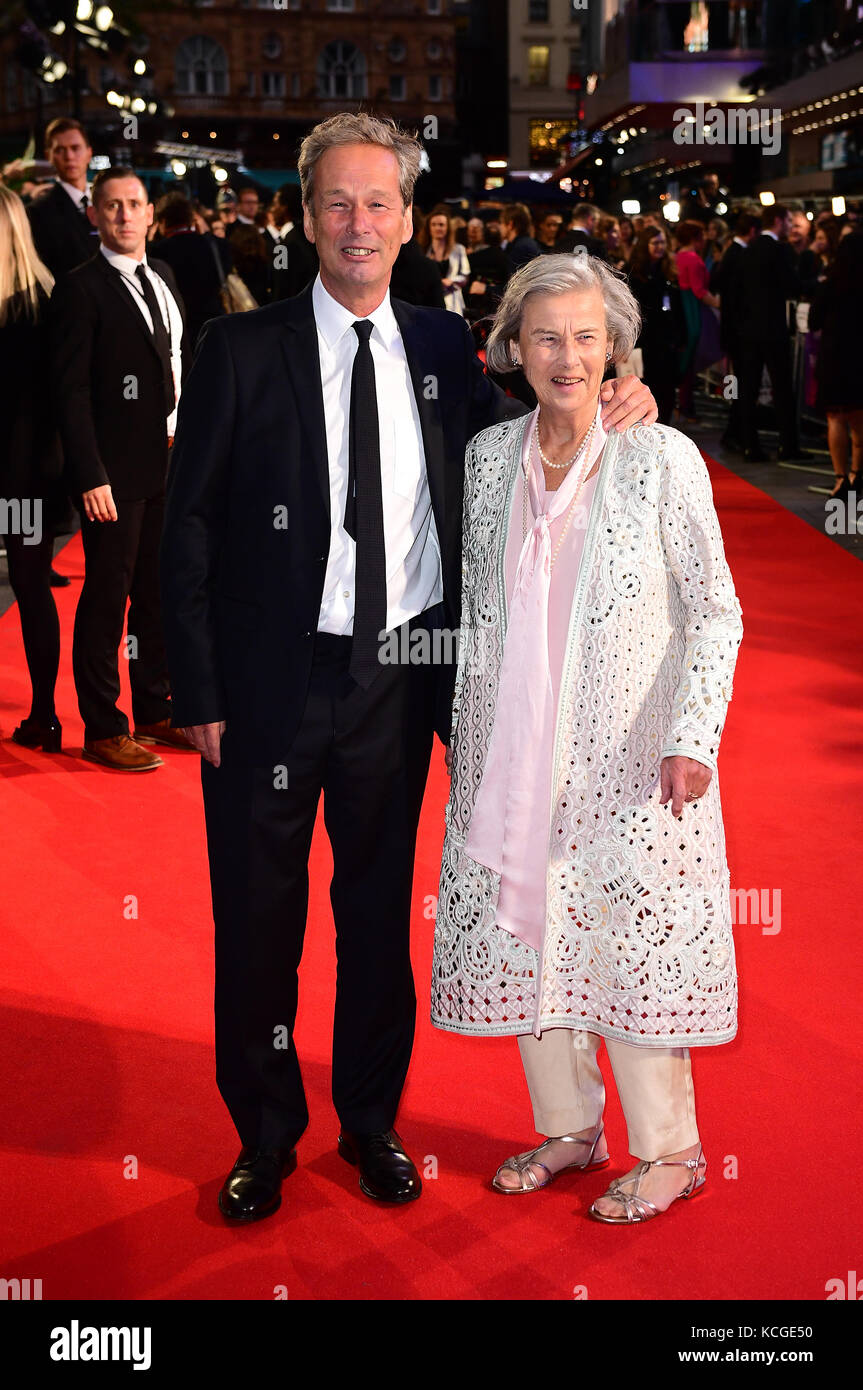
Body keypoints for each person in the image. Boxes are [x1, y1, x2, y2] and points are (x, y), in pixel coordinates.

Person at [158, 112, 657, 1226]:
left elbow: (540, 436)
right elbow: (183, 526)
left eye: (378, 202)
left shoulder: (441, 350)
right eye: (336, 202)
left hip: (398, 680)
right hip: (265, 689)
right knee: (257, 920)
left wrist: (626, 395)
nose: (357, 223)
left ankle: (371, 1121)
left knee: (379, 917)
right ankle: (267, 1134)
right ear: (303, 216)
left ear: (408, 220)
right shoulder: (236, 348)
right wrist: (194, 690)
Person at [433, 252, 743, 1224]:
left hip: (631, 753)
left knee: (630, 937)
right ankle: (568, 1128)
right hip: (515, 743)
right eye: (544, 337)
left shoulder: (660, 457)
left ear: (613, 347)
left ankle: (672, 1152)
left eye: (583, 337)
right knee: (532, 928)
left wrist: (693, 732)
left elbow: (716, 612)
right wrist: (467, 729)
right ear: (510, 349)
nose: (565, 357)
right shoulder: (488, 460)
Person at [49, 167, 194, 770]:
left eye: (134, 204)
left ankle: (156, 710)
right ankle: (104, 726)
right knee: (107, 599)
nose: (124, 215)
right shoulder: (79, 289)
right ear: (95, 217)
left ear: (151, 215)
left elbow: (182, 366)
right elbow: (70, 391)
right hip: (115, 473)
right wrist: (90, 474)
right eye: (111, 206)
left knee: (160, 595)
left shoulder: (163, 275)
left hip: (171, 460)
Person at [0, 185, 65, 751]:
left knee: (27, 585)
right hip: (34, 478)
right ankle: (44, 713)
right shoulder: (51, 298)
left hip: (16, 473)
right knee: (30, 585)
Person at [737, 204, 802, 462]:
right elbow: (792, 286)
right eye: (788, 220)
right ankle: (788, 446)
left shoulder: (748, 249)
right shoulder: (779, 250)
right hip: (774, 331)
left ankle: (749, 446)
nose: (790, 226)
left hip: (749, 331)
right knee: (783, 389)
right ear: (778, 220)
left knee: (748, 390)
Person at [809, 232, 863, 498]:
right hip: (859, 357)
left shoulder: (829, 284)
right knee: (859, 417)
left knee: (836, 418)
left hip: (834, 357)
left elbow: (813, 321)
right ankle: (857, 474)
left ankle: (841, 478)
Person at [150, 192, 231, 349]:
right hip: (214, 327)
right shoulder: (218, 246)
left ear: (163, 221)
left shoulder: (157, 252)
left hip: (177, 333)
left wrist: (150, 242)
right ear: (191, 219)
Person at [26, 118, 99, 281]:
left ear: (89, 152)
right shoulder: (37, 212)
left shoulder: (106, 202)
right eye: (60, 150)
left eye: (75, 148)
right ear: (49, 156)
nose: (69, 156)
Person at [627, 226, 686, 425]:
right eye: (655, 243)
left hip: (666, 344)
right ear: (645, 245)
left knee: (666, 393)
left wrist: (681, 336)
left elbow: (677, 308)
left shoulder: (668, 272)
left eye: (662, 242)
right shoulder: (633, 273)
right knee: (644, 391)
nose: (660, 247)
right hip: (643, 345)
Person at [714, 210, 759, 451]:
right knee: (739, 385)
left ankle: (735, 432)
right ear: (752, 231)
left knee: (737, 384)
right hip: (737, 332)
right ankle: (736, 433)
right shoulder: (738, 254)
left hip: (733, 330)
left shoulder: (732, 252)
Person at [674, 220, 719, 423]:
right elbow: (699, 291)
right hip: (692, 309)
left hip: (682, 308)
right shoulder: (693, 259)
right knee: (691, 356)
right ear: (695, 238)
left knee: (687, 356)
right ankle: (685, 404)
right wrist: (719, 304)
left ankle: (683, 403)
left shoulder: (677, 257)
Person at [269, 183, 319, 302]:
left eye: (275, 204)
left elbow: (279, 284)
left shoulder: (282, 247)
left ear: (284, 207)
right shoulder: (312, 238)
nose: (272, 209)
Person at [419, 203, 471, 314]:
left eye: (441, 225)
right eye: (434, 224)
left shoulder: (459, 249)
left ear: (447, 227)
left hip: (453, 302)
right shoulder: (422, 251)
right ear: (429, 228)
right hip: (428, 302)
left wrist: (451, 281)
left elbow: (465, 277)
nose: (437, 228)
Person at [463, 214, 511, 323]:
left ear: (483, 235)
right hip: (497, 312)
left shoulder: (472, 258)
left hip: (475, 311)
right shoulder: (505, 257)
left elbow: (464, 285)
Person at [500, 203, 541, 270]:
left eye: (501, 222)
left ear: (510, 224)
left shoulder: (522, 248)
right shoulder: (523, 243)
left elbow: (514, 278)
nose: (500, 227)